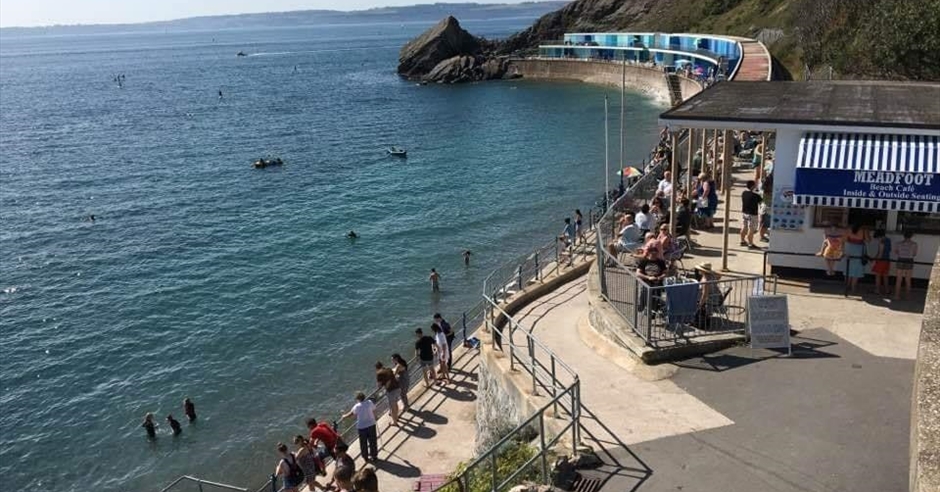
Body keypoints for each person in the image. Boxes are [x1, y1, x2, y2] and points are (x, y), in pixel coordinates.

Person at [342, 392, 378, 463]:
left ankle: (365, 457)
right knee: (373, 441)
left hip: (362, 427)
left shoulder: (357, 406)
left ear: (358, 399)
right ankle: (374, 456)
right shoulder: (369, 402)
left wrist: (344, 416)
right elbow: (374, 410)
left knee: (363, 443)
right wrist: (375, 417)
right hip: (371, 424)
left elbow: (351, 413)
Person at [635, 245, 667, 312]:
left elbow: (665, 273)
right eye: (653, 254)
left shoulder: (661, 262)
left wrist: (659, 277)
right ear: (649, 253)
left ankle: (654, 309)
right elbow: (638, 273)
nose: (655, 255)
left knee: (656, 297)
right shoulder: (644, 261)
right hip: (647, 282)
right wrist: (648, 277)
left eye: (656, 254)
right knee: (645, 294)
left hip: (657, 282)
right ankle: (642, 306)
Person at [693, 262, 723, 328]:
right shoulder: (712, 275)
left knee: (690, 299)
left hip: (712, 299)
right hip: (717, 296)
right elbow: (720, 275)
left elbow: (705, 295)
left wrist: (700, 305)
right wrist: (711, 271)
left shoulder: (705, 280)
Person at [844, 224, 869, 294]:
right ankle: (853, 287)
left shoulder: (848, 230)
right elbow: (868, 240)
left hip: (850, 249)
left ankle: (847, 286)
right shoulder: (864, 230)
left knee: (848, 269)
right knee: (857, 270)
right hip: (859, 250)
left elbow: (845, 239)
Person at [894, 230, 918, 300]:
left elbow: (896, 252)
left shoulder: (898, 243)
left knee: (899, 279)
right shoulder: (914, 244)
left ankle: (896, 296)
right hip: (909, 261)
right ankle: (907, 296)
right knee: (908, 279)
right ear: (911, 236)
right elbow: (914, 254)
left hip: (900, 260)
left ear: (903, 236)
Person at [740, 180, 762, 249]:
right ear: (752, 186)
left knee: (744, 226)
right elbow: (761, 202)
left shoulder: (744, 193)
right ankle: (750, 244)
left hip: (744, 212)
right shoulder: (755, 195)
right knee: (751, 229)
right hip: (752, 214)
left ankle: (742, 240)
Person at [870, 230, 892, 295]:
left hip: (881, 261)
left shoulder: (881, 242)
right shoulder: (888, 240)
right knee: (885, 276)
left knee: (878, 276)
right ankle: (887, 290)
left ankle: (877, 290)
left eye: (877, 238)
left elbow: (880, 253)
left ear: (880, 236)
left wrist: (875, 260)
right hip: (887, 260)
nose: (877, 239)